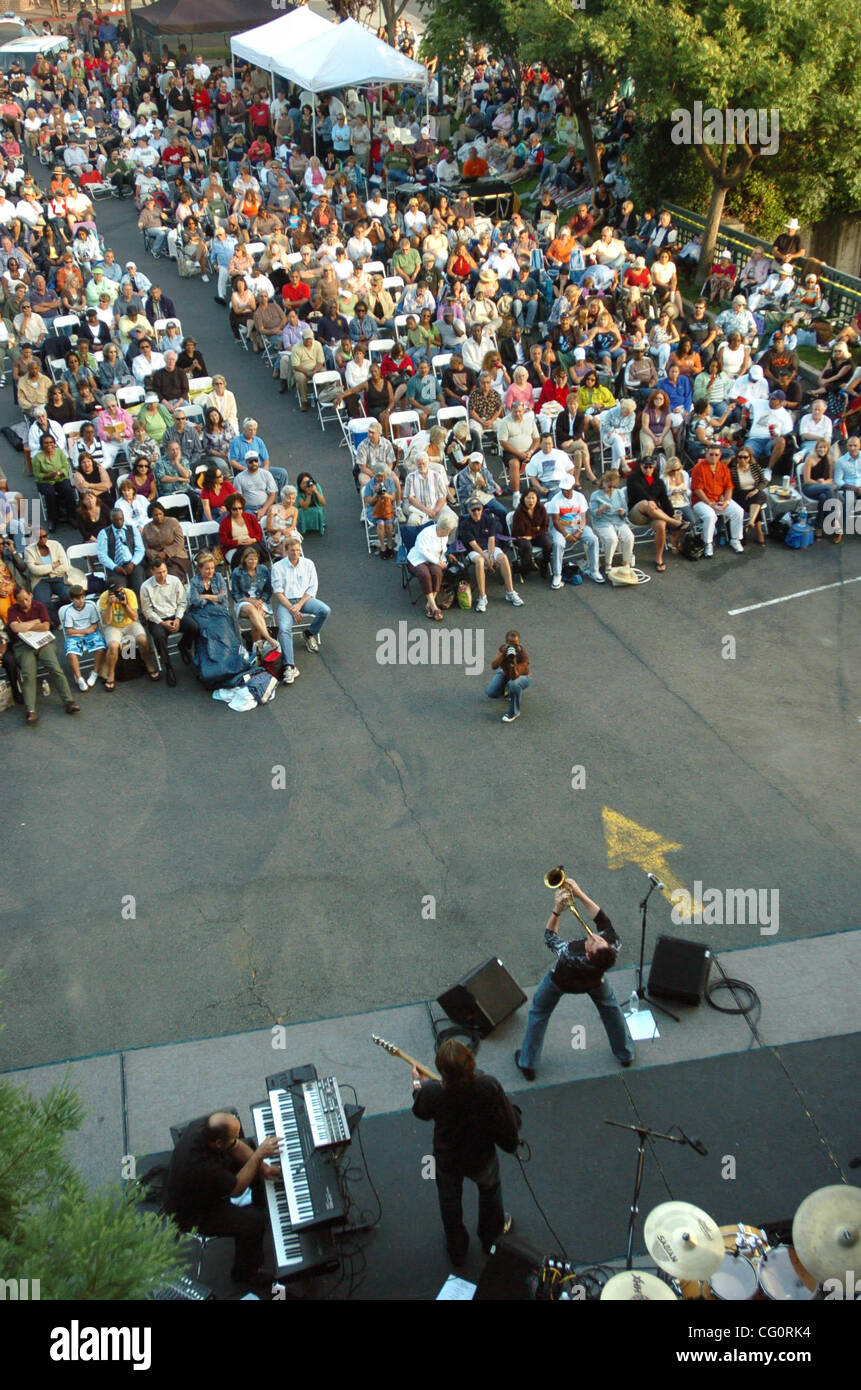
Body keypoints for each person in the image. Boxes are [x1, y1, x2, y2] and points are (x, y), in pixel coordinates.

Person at [515, 873, 635, 1079]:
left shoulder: (572, 952)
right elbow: (602, 921)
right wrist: (579, 894)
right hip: (596, 982)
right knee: (611, 1010)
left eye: (594, 942)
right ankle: (624, 1053)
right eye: (599, 939)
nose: (595, 937)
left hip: (560, 981)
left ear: (588, 954)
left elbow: (550, 937)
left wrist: (557, 910)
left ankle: (527, 1062)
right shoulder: (613, 944)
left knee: (538, 1012)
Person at [411, 1038, 520, 1265]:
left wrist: (417, 1086)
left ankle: (457, 1248)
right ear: (471, 1062)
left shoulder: (434, 1092)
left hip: (448, 1158)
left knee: (449, 1203)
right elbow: (507, 1118)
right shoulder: (487, 1085)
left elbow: (421, 1110)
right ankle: (491, 1239)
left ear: (442, 1071)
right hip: (481, 1155)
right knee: (490, 1193)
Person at [161, 1110, 281, 1293]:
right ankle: (245, 1273)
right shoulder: (201, 1166)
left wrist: (263, 1168)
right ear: (218, 1143)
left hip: (205, 1185)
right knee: (253, 1223)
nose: (236, 1139)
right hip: (194, 1212)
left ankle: (262, 1205)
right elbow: (236, 1188)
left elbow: (235, 1146)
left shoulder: (204, 1127)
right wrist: (258, 1156)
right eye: (233, 1136)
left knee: (249, 1154)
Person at [6, 586, 81, 725]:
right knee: (28, 674)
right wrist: (35, 622)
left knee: (55, 668)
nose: (25, 603)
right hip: (23, 645)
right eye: (21, 601)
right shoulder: (12, 610)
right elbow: (16, 628)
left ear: (30, 595)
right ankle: (31, 710)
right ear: (16, 601)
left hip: (43, 641)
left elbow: (46, 626)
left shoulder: (39, 606)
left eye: (27, 599)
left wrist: (26, 625)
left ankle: (69, 701)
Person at [271, 535, 331, 684]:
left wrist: (299, 606)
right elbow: (278, 592)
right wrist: (293, 609)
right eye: (292, 551)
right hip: (286, 603)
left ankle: (309, 633)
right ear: (286, 551)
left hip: (304, 600)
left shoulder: (308, 564)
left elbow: (312, 587)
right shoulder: (277, 567)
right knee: (284, 628)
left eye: (298, 550)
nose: (296, 553)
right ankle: (289, 666)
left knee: (325, 610)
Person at [458, 497, 523, 613]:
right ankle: (482, 597)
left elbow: (491, 540)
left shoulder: (489, 520)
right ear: (468, 511)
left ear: (482, 508)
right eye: (473, 510)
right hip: (475, 551)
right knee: (479, 561)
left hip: (490, 548)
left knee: (503, 558)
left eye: (478, 509)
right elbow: (474, 545)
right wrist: (487, 560)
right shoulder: (465, 524)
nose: (476, 512)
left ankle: (510, 592)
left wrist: (492, 556)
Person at [140, 557, 196, 686]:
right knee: (159, 636)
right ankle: (168, 666)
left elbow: (182, 602)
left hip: (175, 614)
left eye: (164, 571)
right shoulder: (145, 587)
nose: (163, 575)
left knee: (194, 627)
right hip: (158, 619)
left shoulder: (175, 581)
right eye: (159, 572)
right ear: (152, 572)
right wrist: (162, 623)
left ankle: (183, 645)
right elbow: (147, 611)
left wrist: (177, 618)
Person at [626, 455, 686, 572]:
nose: (648, 469)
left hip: (654, 513)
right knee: (646, 503)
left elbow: (664, 500)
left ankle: (659, 558)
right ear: (641, 466)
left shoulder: (658, 482)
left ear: (654, 467)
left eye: (651, 467)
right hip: (637, 512)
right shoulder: (633, 478)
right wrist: (650, 501)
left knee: (661, 525)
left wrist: (672, 513)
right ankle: (673, 523)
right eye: (645, 467)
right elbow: (639, 492)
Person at [98, 582, 160, 689]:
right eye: (115, 593)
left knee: (142, 640)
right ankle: (111, 674)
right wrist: (109, 605)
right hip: (113, 626)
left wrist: (125, 604)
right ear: (109, 592)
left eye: (120, 590)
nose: (119, 594)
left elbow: (135, 617)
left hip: (130, 623)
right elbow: (106, 621)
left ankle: (148, 664)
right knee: (113, 646)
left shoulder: (129, 593)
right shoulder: (104, 597)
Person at [690, 445, 746, 556]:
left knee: (738, 511)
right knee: (710, 516)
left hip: (718, 499)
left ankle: (735, 539)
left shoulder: (723, 468)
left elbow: (729, 487)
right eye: (711, 454)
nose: (714, 457)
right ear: (706, 455)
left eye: (716, 454)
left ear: (720, 455)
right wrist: (710, 503)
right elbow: (697, 490)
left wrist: (727, 501)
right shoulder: (699, 468)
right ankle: (707, 543)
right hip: (701, 501)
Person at [546, 476, 602, 587]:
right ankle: (557, 574)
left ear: (572, 487)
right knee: (558, 544)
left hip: (578, 526)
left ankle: (594, 570)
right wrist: (566, 535)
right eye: (563, 489)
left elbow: (584, 517)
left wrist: (578, 532)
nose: (564, 492)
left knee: (593, 539)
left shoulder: (580, 497)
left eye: (567, 489)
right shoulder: (556, 500)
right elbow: (556, 522)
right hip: (561, 528)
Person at [406, 508, 459, 621]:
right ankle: (434, 607)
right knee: (425, 574)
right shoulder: (426, 534)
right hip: (418, 559)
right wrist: (437, 562)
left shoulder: (444, 535)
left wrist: (444, 558)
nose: (450, 533)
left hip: (434, 559)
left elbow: (442, 549)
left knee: (437, 572)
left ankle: (430, 603)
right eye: (449, 530)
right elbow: (423, 551)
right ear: (444, 528)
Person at [589, 470, 635, 570]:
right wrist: (601, 509)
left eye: (614, 487)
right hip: (603, 522)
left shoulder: (619, 493)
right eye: (609, 487)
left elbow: (625, 510)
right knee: (612, 539)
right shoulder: (596, 495)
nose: (611, 489)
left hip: (618, 520)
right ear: (603, 483)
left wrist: (623, 513)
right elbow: (592, 513)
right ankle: (608, 564)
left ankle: (626, 561)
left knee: (629, 537)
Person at [486, 629, 531, 723]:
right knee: (491, 693)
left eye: (516, 644)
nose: (513, 647)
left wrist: (513, 661)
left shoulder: (523, 655)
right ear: (506, 643)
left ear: (519, 643)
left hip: (521, 677)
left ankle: (514, 712)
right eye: (510, 644)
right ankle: (508, 689)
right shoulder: (503, 649)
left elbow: (515, 676)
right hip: (505, 673)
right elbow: (494, 666)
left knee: (514, 684)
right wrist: (502, 654)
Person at [97, 507, 146, 594]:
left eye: (121, 519)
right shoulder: (104, 533)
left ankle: (139, 607)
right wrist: (115, 567)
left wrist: (132, 563)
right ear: (111, 520)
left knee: (139, 586)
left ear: (123, 518)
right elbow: (102, 555)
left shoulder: (132, 529)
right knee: (119, 590)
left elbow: (140, 549)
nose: (119, 522)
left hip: (132, 564)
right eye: (116, 520)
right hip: (115, 566)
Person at [231, 548, 273, 645]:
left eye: (255, 559)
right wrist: (251, 601)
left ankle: (257, 650)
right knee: (252, 610)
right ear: (244, 559)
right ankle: (269, 639)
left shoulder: (263, 569)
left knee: (255, 619)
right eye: (250, 559)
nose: (253, 561)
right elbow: (235, 594)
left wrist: (261, 600)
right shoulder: (237, 572)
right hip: (243, 601)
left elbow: (268, 590)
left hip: (261, 601)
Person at [510, 488, 552, 579]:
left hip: (536, 536)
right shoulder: (519, 512)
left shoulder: (541, 508)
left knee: (548, 544)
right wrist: (536, 528)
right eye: (528, 498)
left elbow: (545, 526)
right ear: (523, 498)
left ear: (537, 498)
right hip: (520, 537)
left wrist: (533, 533)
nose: (531, 501)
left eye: (533, 498)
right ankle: (525, 568)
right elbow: (521, 531)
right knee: (526, 546)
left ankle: (543, 565)